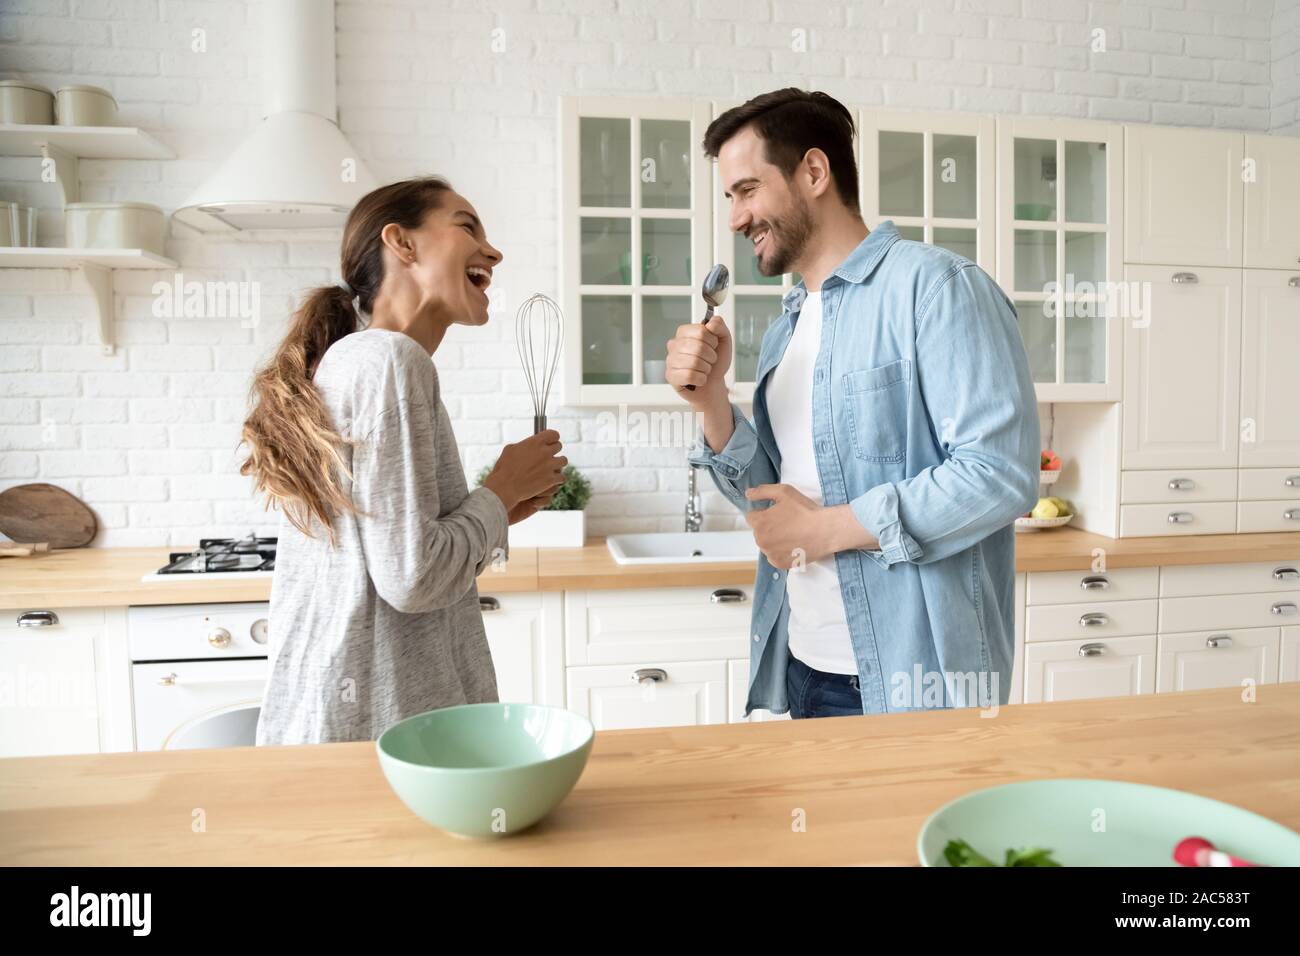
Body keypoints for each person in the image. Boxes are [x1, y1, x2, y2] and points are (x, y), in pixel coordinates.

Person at [667, 89, 1039, 720]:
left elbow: (999, 473)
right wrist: (713, 406)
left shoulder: (937, 289)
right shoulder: (787, 329)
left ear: (814, 172)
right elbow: (775, 513)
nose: (735, 218)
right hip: (805, 666)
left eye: (748, 189)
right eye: (730, 196)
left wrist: (827, 529)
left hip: (908, 682)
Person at [241, 176, 565, 744]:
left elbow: (397, 555)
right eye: (467, 226)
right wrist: (499, 491)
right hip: (381, 730)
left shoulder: (357, 360)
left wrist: (496, 511)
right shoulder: (391, 360)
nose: (494, 252)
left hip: (348, 722)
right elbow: (414, 580)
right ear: (402, 243)